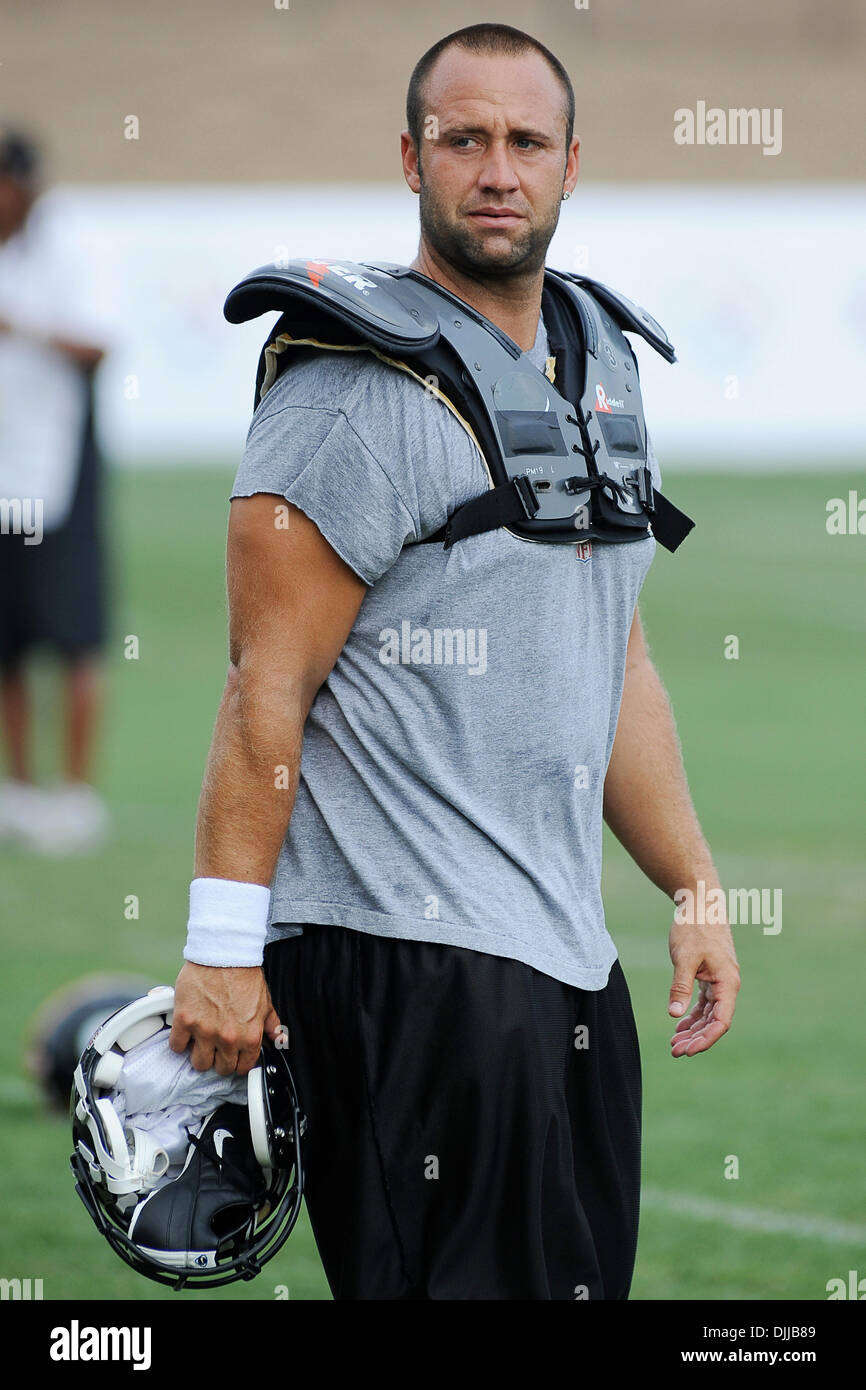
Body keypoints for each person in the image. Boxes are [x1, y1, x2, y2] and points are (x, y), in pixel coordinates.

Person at [170, 23, 741, 1300]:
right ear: (411, 157)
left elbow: (615, 658)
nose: (496, 169)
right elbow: (265, 688)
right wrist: (220, 947)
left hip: (561, 958)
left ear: (571, 163)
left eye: (524, 142)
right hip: (401, 961)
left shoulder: (598, 374)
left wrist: (691, 885)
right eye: (463, 138)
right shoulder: (343, 395)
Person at [0, 128, 111, 853]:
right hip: (2, 469)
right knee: (7, 641)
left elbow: (99, 343)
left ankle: (73, 794)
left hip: (60, 464)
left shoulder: (70, 243)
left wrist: (21, 328)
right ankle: (19, 789)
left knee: (74, 635)